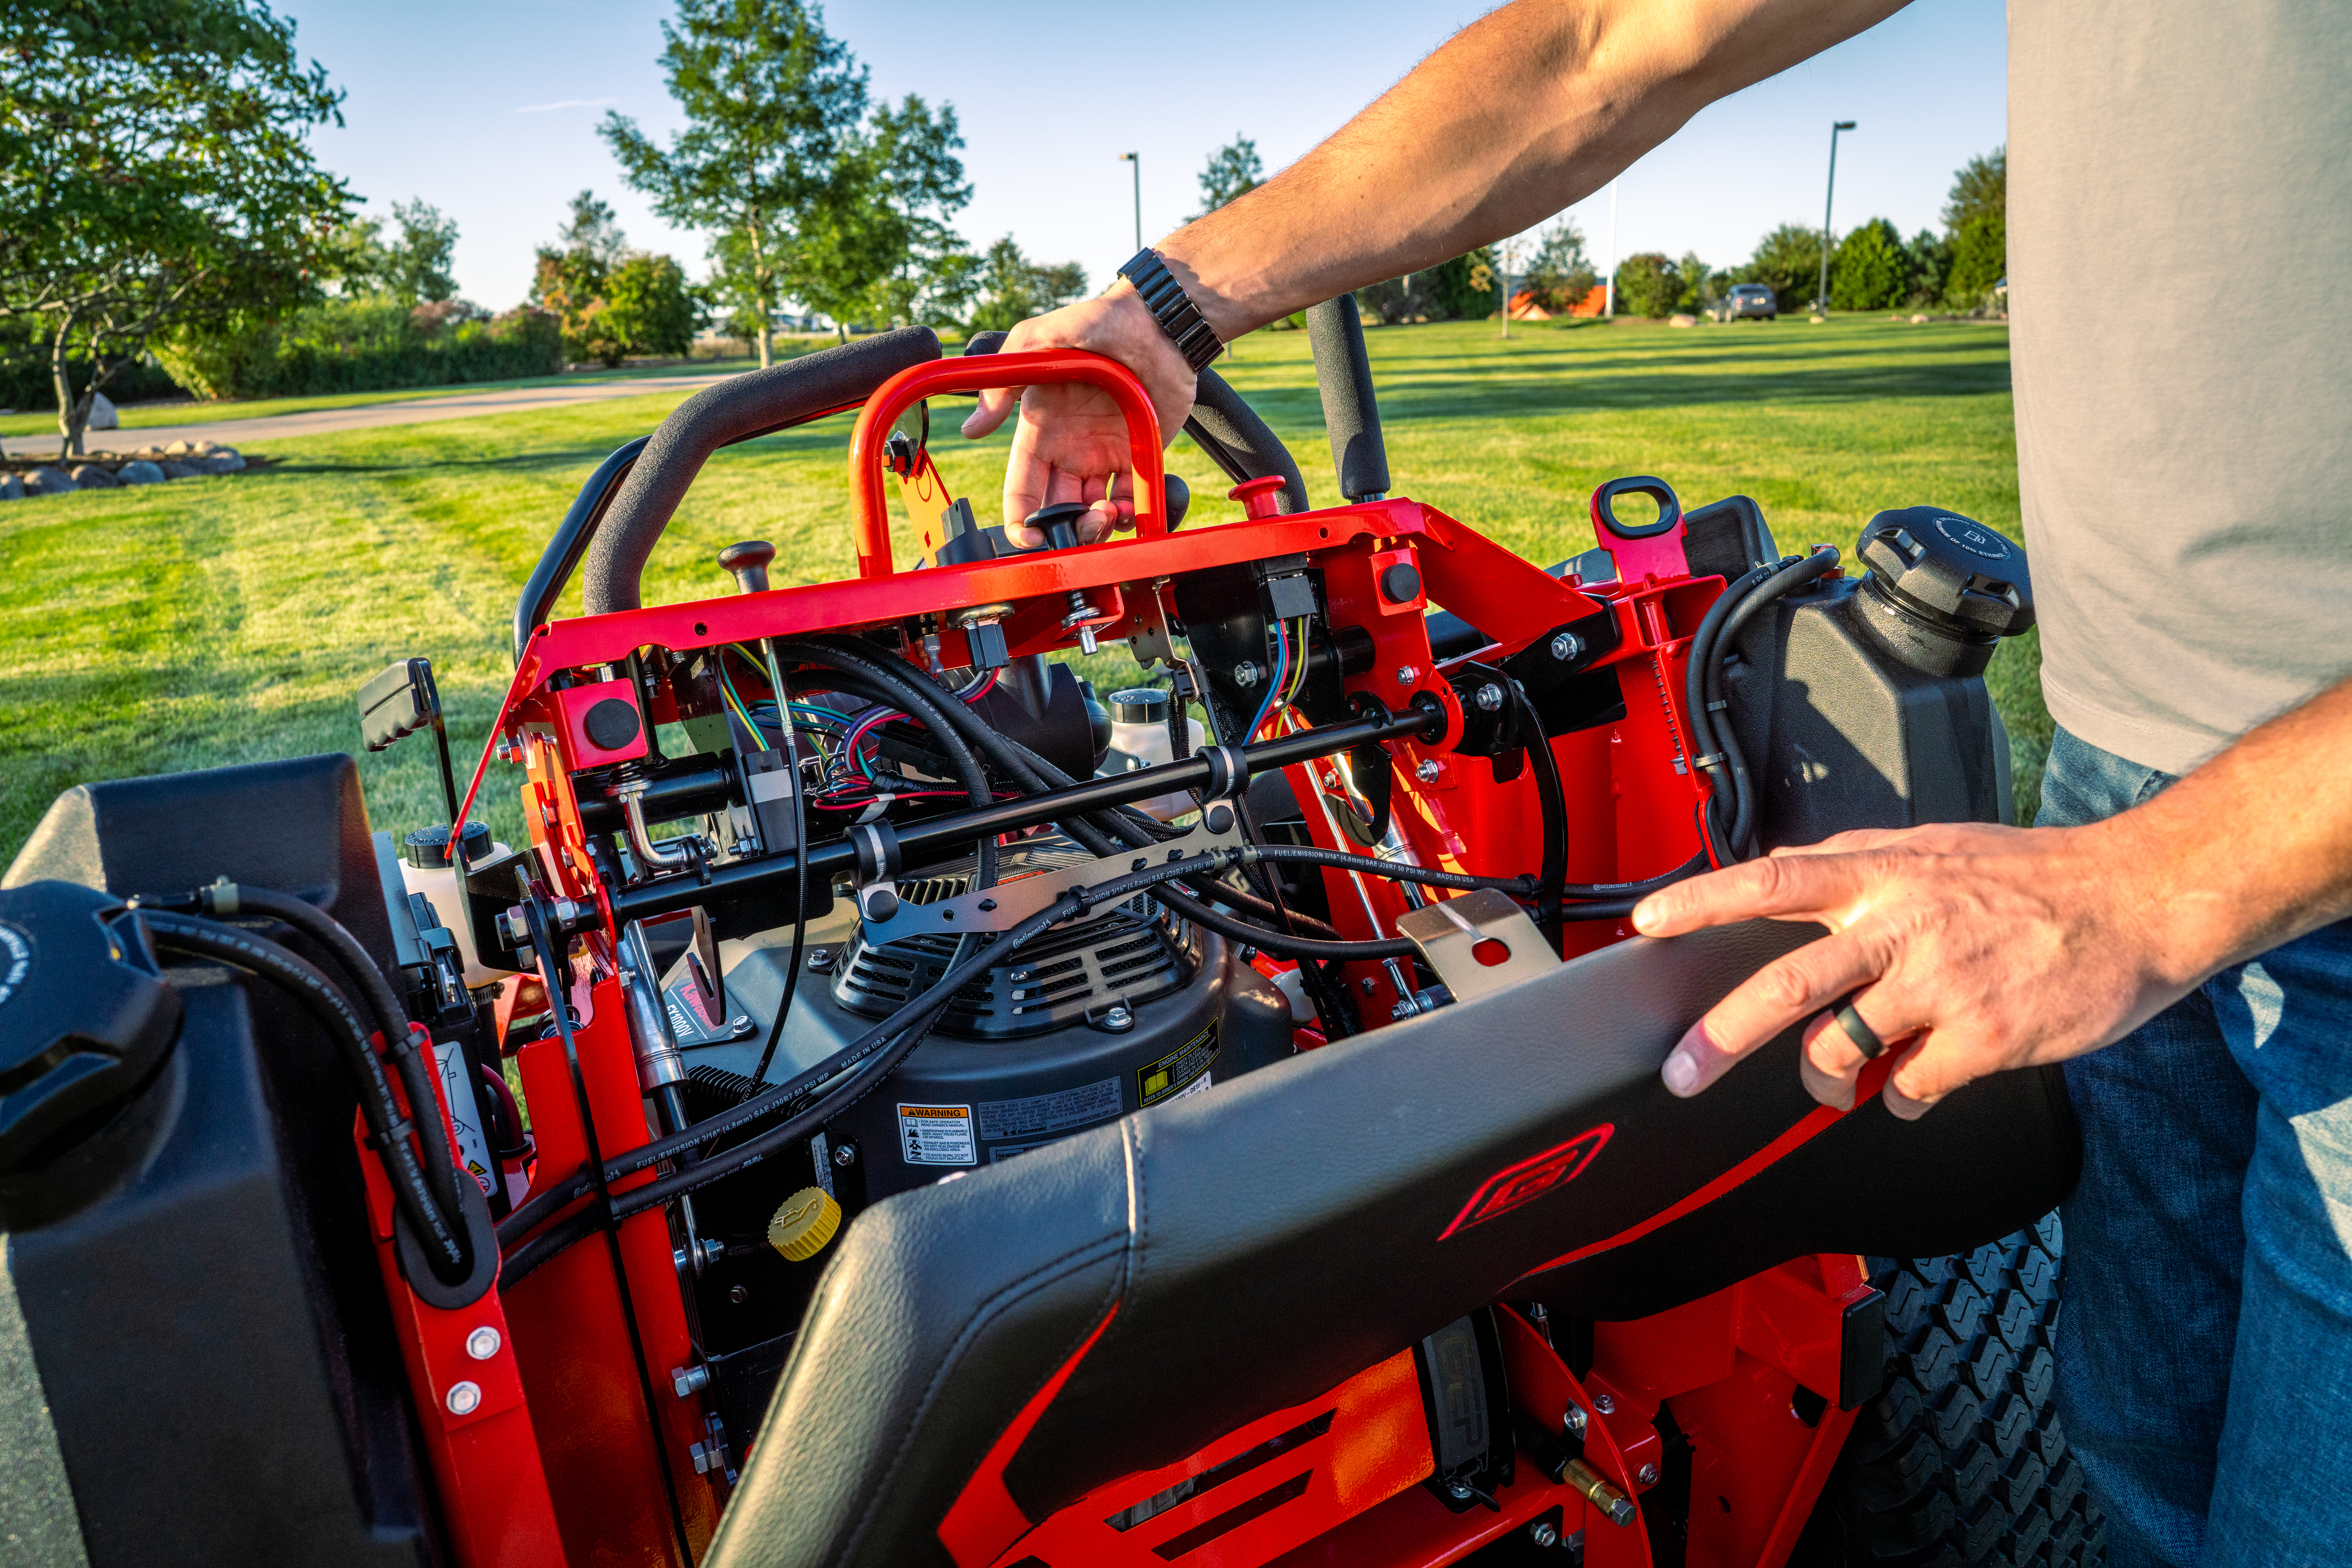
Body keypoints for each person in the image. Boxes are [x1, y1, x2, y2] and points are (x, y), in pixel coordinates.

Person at [959, 2, 2352, 1564]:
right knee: (2140, 1466)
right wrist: (1164, 312)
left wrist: (2153, 883)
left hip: (2280, 868)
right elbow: (1606, 42)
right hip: (2135, 777)